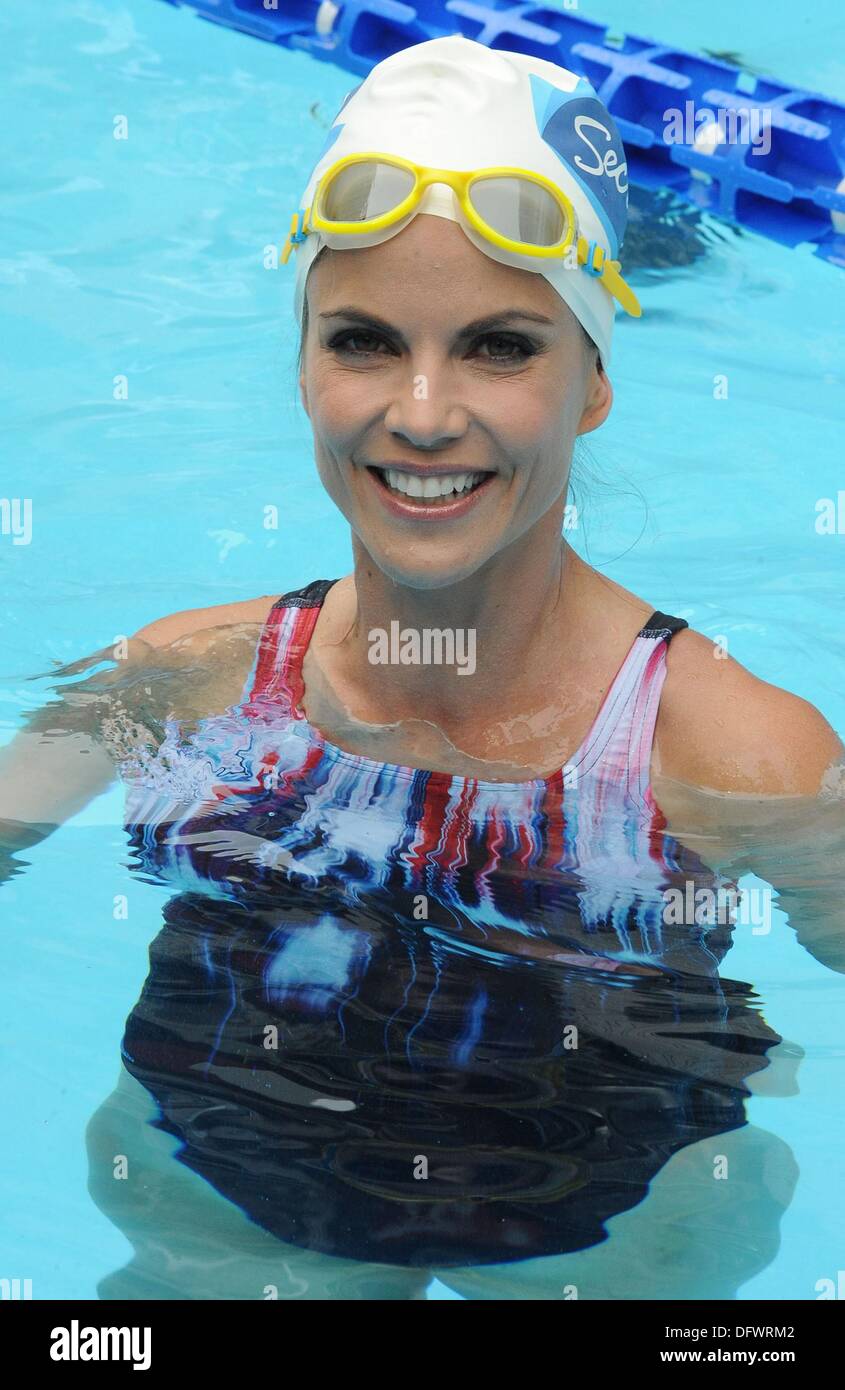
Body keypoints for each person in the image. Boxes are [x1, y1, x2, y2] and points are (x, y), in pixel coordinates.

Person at [3, 36, 845, 1295]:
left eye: (501, 346)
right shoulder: (181, 679)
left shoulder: (734, 754)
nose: (422, 411)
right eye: (362, 341)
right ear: (301, 368)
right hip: (220, 1172)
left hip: (615, 1215)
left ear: (593, 381)